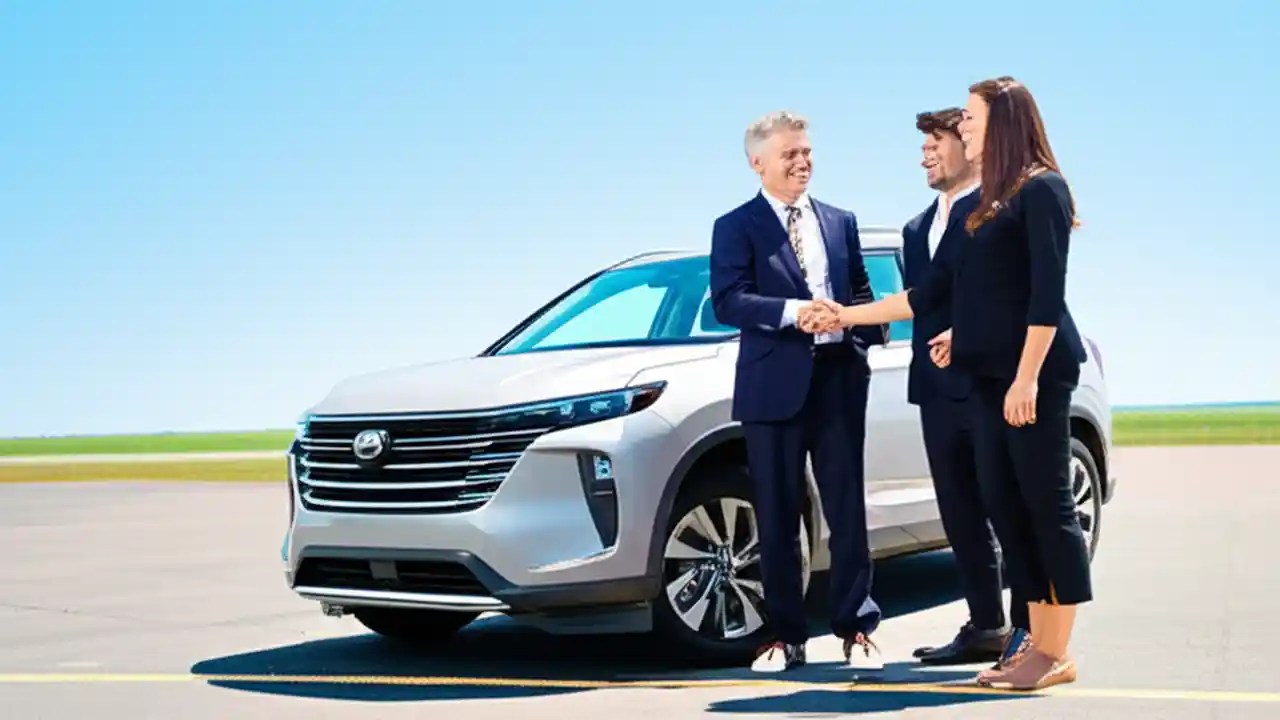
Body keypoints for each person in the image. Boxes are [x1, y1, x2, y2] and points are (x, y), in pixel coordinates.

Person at [826, 77, 1092, 691]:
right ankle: (1034, 648)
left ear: (1002, 122)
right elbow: (935, 294)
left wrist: (1026, 378)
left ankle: (1055, 653)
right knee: (1011, 510)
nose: (964, 126)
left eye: (971, 117)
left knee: (1048, 510)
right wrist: (846, 315)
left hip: (1033, 380)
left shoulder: (1042, 189)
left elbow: (1044, 297)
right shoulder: (986, 205)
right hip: (988, 378)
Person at [708, 110, 889, 673]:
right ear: (757, 161)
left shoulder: (840, 221)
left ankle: (857, 629)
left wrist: (856, 331)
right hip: (771, 388)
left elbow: (860, 290)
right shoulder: (735, 226)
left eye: (807, 151)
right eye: (790, 153)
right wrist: (794, 314)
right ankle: (785, 637)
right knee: (779, 514)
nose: (802, 161)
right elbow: (729, 300)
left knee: (847, 509)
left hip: (838, 379)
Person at [903, 108, 1031, 666]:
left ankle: (1028, 633)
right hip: (934, 390)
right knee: (959, 513)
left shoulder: (997, 212)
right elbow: (919, 302)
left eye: (938, 141)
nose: (926, 153)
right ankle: (985, 625)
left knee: (1008, 509)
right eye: (923, 144)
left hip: (987, 382)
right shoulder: (914, 229)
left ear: (969, 146)